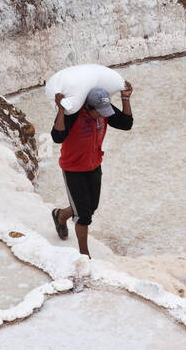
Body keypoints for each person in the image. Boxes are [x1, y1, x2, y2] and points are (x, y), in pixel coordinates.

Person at [50, 81, 133, 256]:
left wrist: (125, 98)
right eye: (99, 112)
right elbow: (57, 137)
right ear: (87, 107)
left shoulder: (103, 109)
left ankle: (61, 215)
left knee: (90, 207)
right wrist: (61, 110)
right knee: (84, 216)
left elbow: (126, 124)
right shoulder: (73, 114)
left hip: (94, 165)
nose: (103, 116)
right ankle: (84, 255)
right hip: (73, 168)